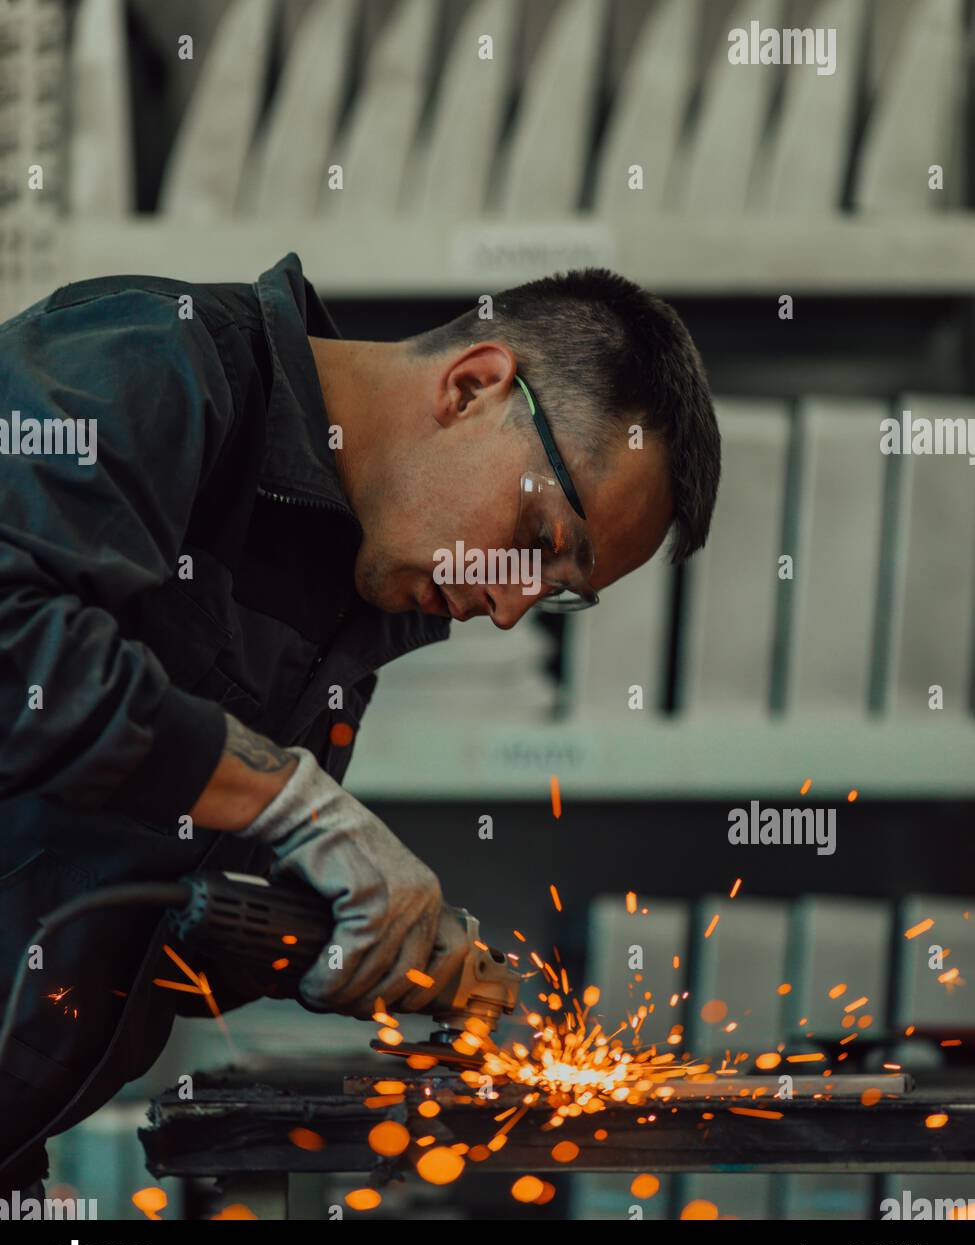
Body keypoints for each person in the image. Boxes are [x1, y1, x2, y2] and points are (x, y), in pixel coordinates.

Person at [0, 252, 720, 1191]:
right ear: (472, 387)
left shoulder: (353, 592)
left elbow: (139, 904)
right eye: (539, 542)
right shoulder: (145, 358)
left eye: (555, 593)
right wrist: (291, 802)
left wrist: (354, 948)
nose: (509, 609)